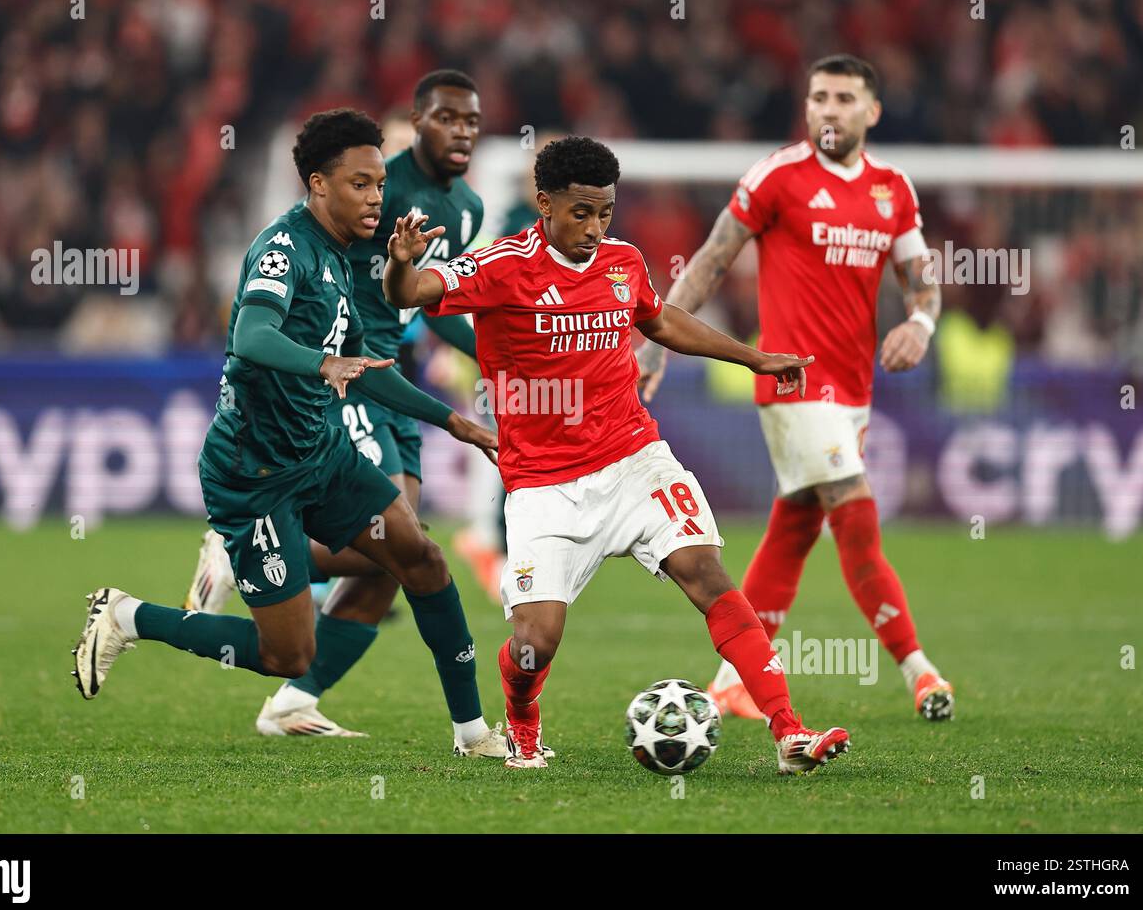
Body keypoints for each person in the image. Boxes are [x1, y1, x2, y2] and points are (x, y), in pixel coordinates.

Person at [383, 135, 852, 774]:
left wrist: (753, 357)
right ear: (544, 204)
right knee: (534, 644)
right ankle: (522, 721)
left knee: (708, 574)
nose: (595, 227)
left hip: (634, 457)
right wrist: (400, 265)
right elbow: (412, 292)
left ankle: (790, 732)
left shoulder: (623, 261)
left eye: (605, 212)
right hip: (544, 484)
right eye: (581, 212)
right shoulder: (500, 265)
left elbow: (658, 321)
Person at [72, 108, 507, 759]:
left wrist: (452, 421)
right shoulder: (285, 247)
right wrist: (319, 362)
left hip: (321, 456)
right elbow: (251, 336)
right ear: (317, 184)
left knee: (418, 558)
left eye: (379, 185)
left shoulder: (338, 261)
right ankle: (130, 616)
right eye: (359, 183)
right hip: (256, 474)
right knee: (286, 652)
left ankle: (473, 736)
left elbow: (365, 368)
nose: (375, 197)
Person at [183, 71, 499, 747]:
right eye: (447, 117)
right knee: (404, 547)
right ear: (418, 121)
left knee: (403, 561)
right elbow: (259, 328)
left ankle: (303, 699)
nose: (463, 131)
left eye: (473, 119)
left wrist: (477, 390)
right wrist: (327, 361)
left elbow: (427, 303)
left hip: (380, 374)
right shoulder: (320, 227)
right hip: (335, 396)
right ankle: (247, 566)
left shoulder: (461, 210)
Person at [637, 54, 954, 722]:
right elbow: (712, 260)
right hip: (792, 381)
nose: (828, 109)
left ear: (872, 111)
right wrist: (652, 340)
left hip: (852, 391)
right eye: (818, 97)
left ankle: (730, 682)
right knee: (855, 513)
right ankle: (919, 670)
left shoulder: (892, 189)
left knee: (795, 529)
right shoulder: (778, 177)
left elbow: (922, 279)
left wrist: (922, 323)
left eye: (843, 98)